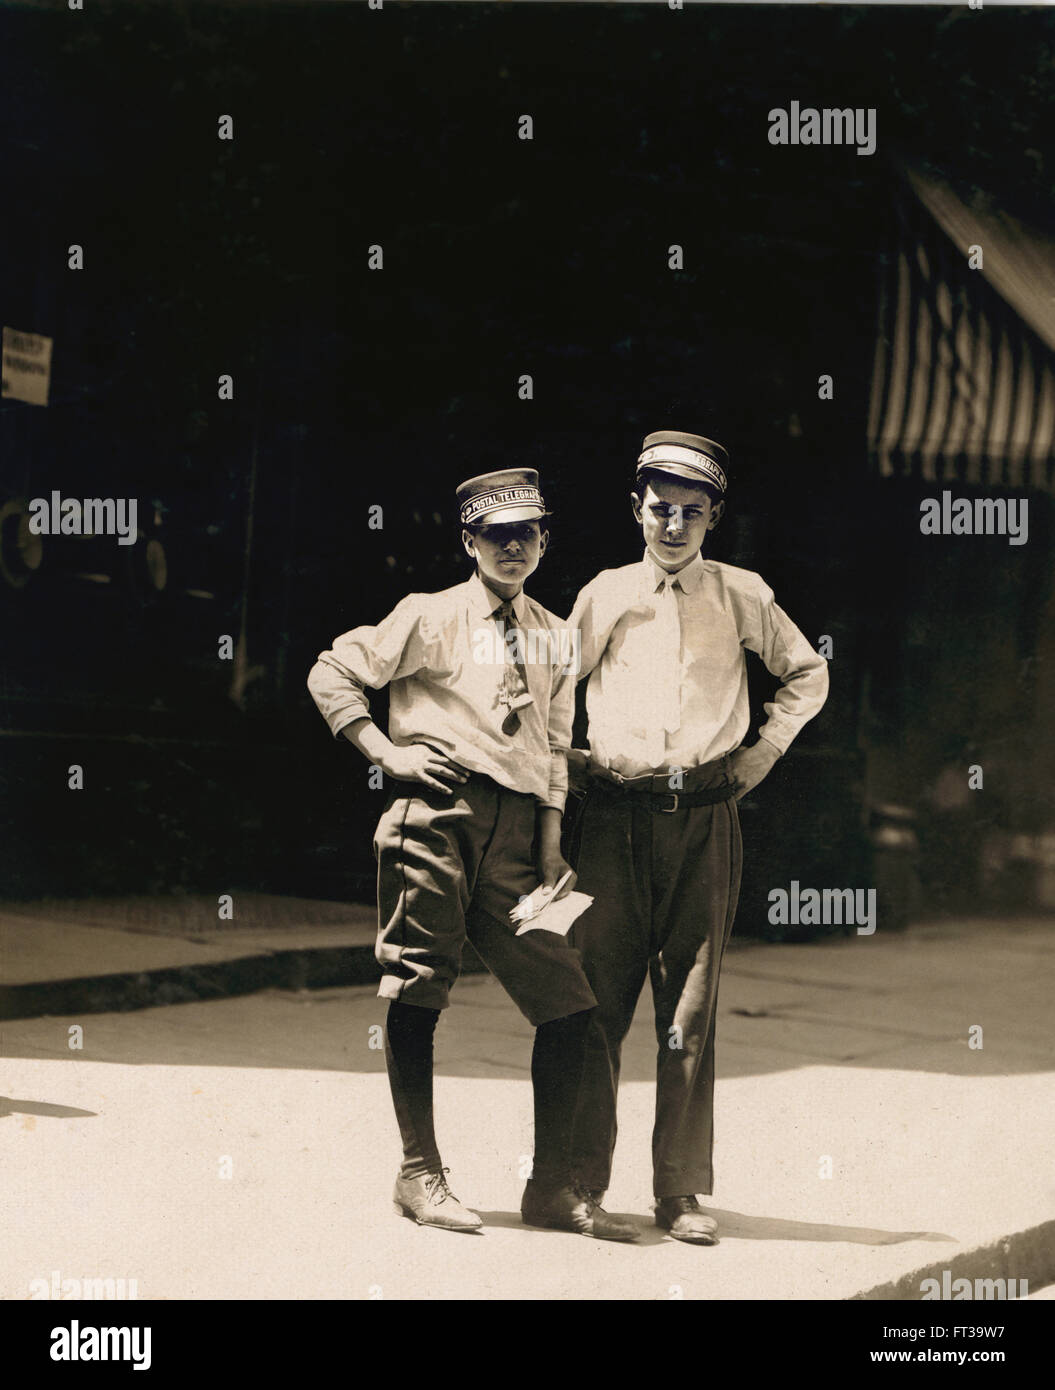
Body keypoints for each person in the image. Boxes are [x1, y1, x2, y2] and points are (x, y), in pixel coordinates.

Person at [307, 467, 638, 1241]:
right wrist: (385, 753)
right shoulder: (429, 616)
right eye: (497, 534)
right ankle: (418, 1172)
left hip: (520, 839)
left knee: (569, 1003)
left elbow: (556, 742)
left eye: (527, 533)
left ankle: (551, 1188)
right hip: (439, 817)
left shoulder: (554, 632)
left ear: (545, 540)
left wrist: (552, 838)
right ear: (469, 541)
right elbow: (333, 671)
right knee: (419, 986)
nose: (513, 546)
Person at [565, 431, 829, 1244]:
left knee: (689, 1009)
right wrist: (561, 761)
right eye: (658, 509)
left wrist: (762, 752)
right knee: (593, 1003)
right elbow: (545, 684)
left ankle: (678, 1191)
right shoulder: (603, 593)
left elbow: (807, 670)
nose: (672, 526)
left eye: (690, 512)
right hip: (612, 817)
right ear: (634, 509)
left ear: (713, 517)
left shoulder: (740, 593)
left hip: (705, 814)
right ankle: (578, 1185)